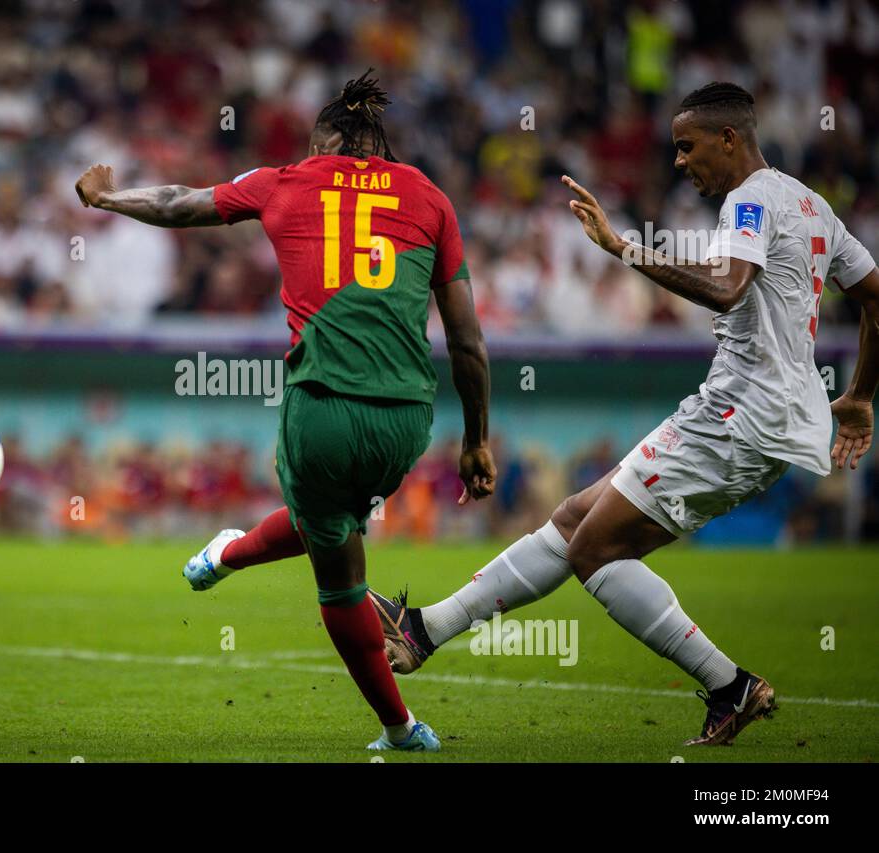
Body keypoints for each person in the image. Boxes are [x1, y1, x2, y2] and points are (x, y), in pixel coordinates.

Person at [373, 82, 879, 747]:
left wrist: (625, 250)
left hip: (739, 415)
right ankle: (427, 628)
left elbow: (728, 289)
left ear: (729, 139)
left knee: (594, 551)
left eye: (687, 147)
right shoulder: (811, 204)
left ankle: (730, 685)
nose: (678, 162)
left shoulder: (749, 198)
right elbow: (875, 297)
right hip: (751, 415)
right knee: (575, 518)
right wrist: (861, 395)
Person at [75, 70, 495, 752]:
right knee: (331, 523)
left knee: (339, 576)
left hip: (321, 408)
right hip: (408, 423)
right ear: (381, 150)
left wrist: (107, 198)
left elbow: (181, 202)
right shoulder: (430, 197)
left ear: (324, 141)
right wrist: (477, 440)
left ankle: (399, 726)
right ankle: (230, 554)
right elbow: (468, 342)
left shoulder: (285, 179)